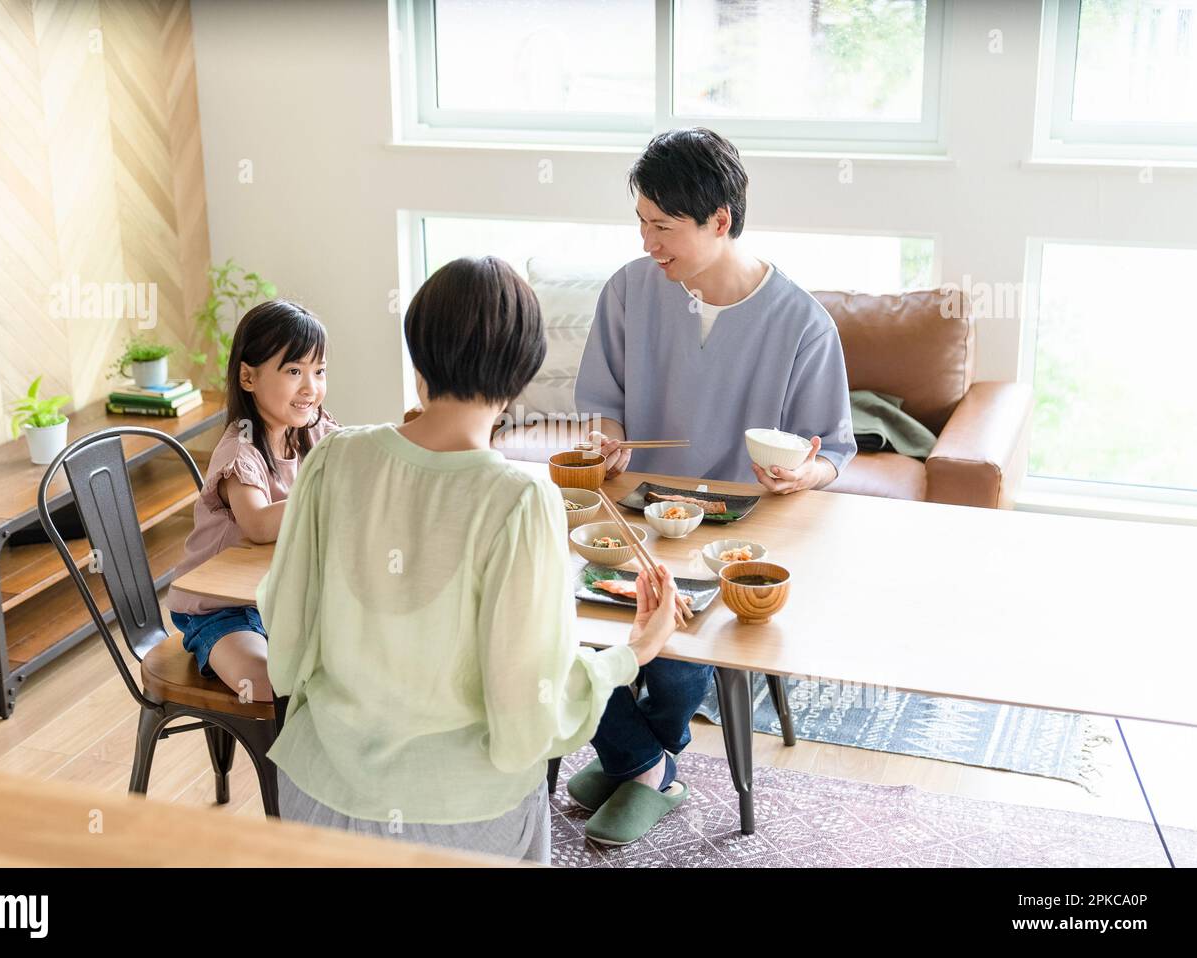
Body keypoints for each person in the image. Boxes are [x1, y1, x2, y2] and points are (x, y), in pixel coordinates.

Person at [257, 256, 680, 864]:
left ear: (418, 355)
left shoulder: (332, 459)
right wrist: (632, 653)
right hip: (459, 821)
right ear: (522, 373)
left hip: (319, 795)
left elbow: (286, 652)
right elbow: (526, 720)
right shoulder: (521, 499)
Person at [570, 127, 856, 845]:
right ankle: (646, 765)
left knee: (673, 662)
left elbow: (836, 452)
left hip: (731, 543)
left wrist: (802, 472)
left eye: (662, 227)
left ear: (720, 221)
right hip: (632, 527)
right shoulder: (630, 293)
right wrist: (605, 444)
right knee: (554, 628)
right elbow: (599, 403)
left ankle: (634, 762)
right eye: (640, 223)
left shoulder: (802, 325)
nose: (646, 243)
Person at [164, 300, 338, 702]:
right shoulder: (239, 452)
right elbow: (258, 524)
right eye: (294, 371)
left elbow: (355, 455)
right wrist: (321, 490)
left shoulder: (313, 431)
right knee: (266, 684)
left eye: (319, 371)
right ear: (248, 377)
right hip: (220, 610)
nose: (310, 387)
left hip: (281, 596)